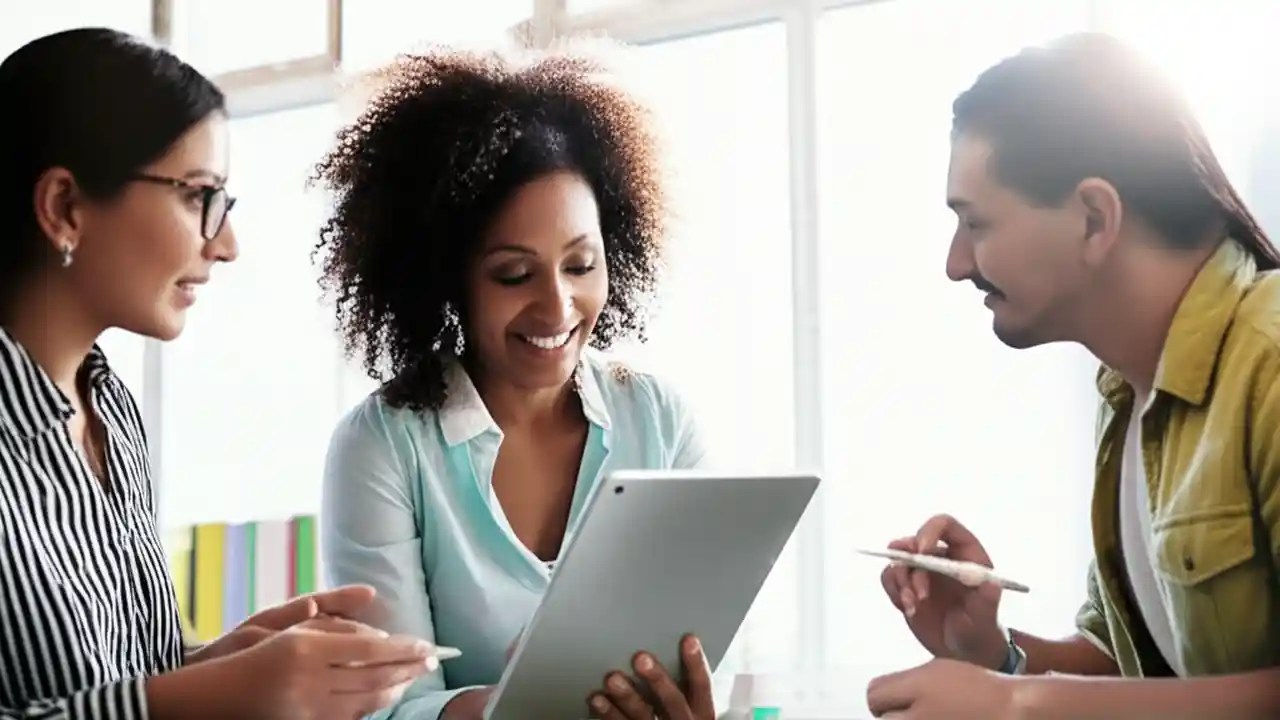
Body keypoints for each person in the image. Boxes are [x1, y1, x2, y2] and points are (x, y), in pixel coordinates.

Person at [0, 28, 437, 720]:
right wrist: (205, 697)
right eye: (198, 195)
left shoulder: (110, 411)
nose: (225, 244)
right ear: (65, 207)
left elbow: (121, 685)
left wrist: (225, 665)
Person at [867, 33, 1280, 720]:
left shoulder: (1269, 361)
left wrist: (1016, 704)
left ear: (1094, 218)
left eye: (976, 223)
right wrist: (993, 655)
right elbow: (1144, 670)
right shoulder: (1126, 398)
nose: (956, 263)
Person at [315, 45, 717, 720]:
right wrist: (519, 706)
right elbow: (383, 708)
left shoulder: (660, 421)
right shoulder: (383, 448)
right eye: (513, 274)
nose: (557, 309)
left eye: (581, 265)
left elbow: (708, 648)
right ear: (448, 277)